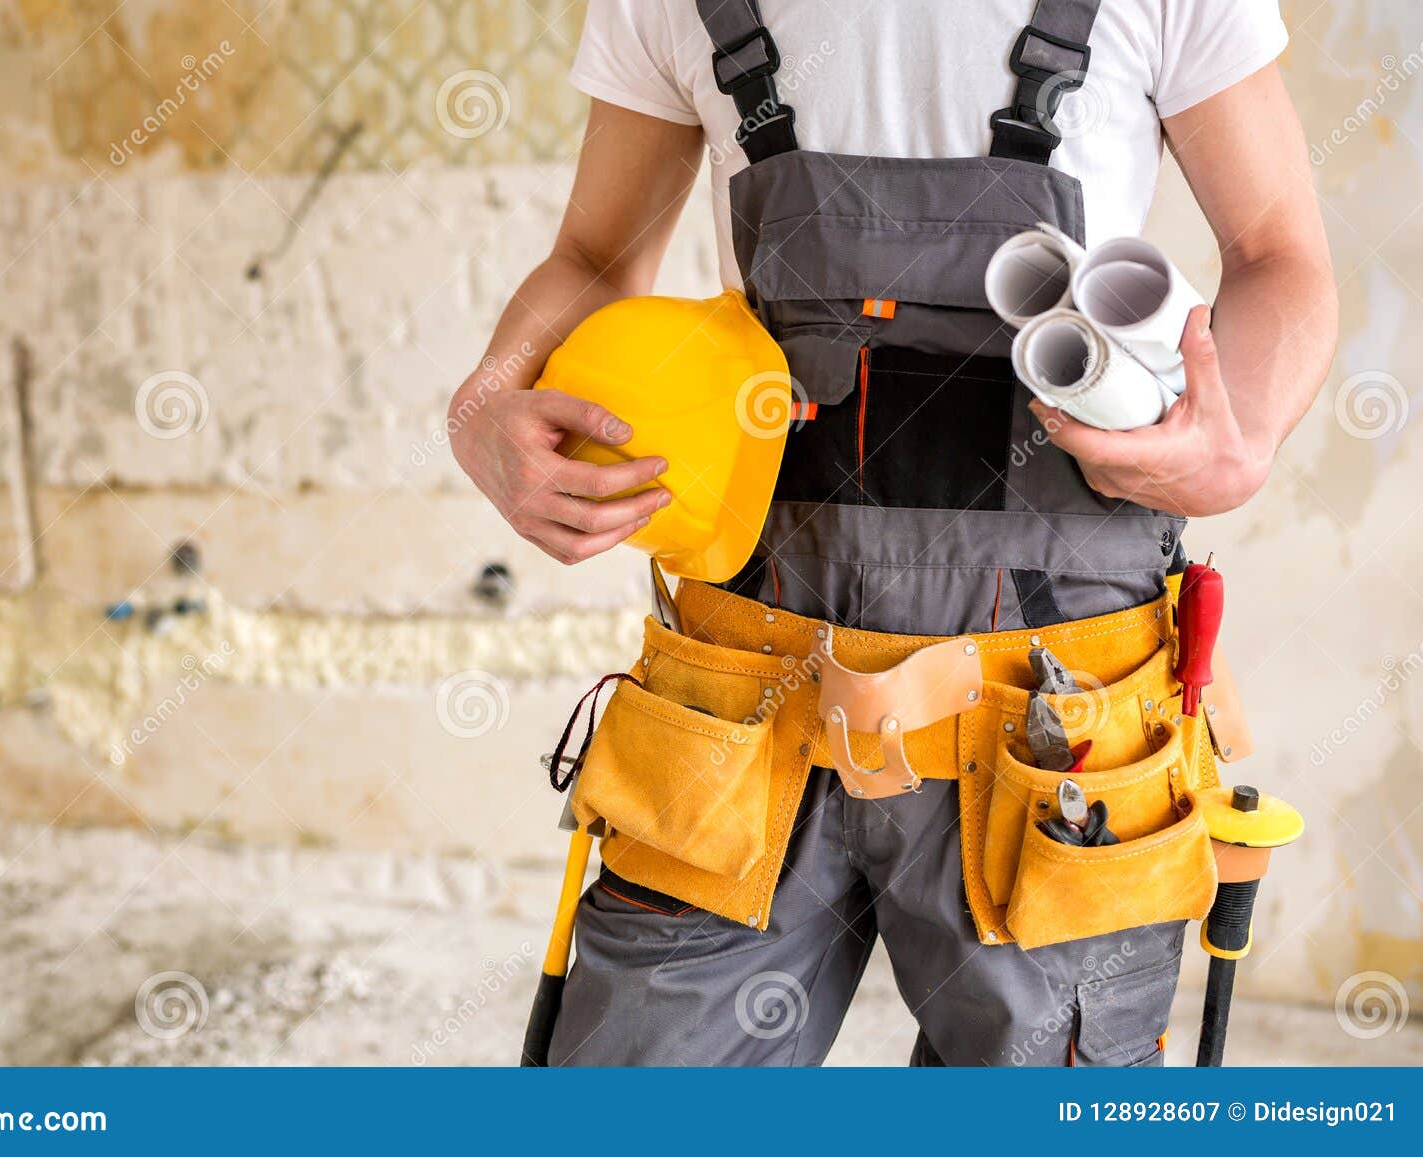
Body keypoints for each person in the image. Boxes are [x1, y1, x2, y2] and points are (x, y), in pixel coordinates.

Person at [449, 0, 1335, 1066]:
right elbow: (594, 251)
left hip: (1049, 723)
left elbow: (1278, 250)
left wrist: (1240, 440)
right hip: (747, 700)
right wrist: (484, 402)